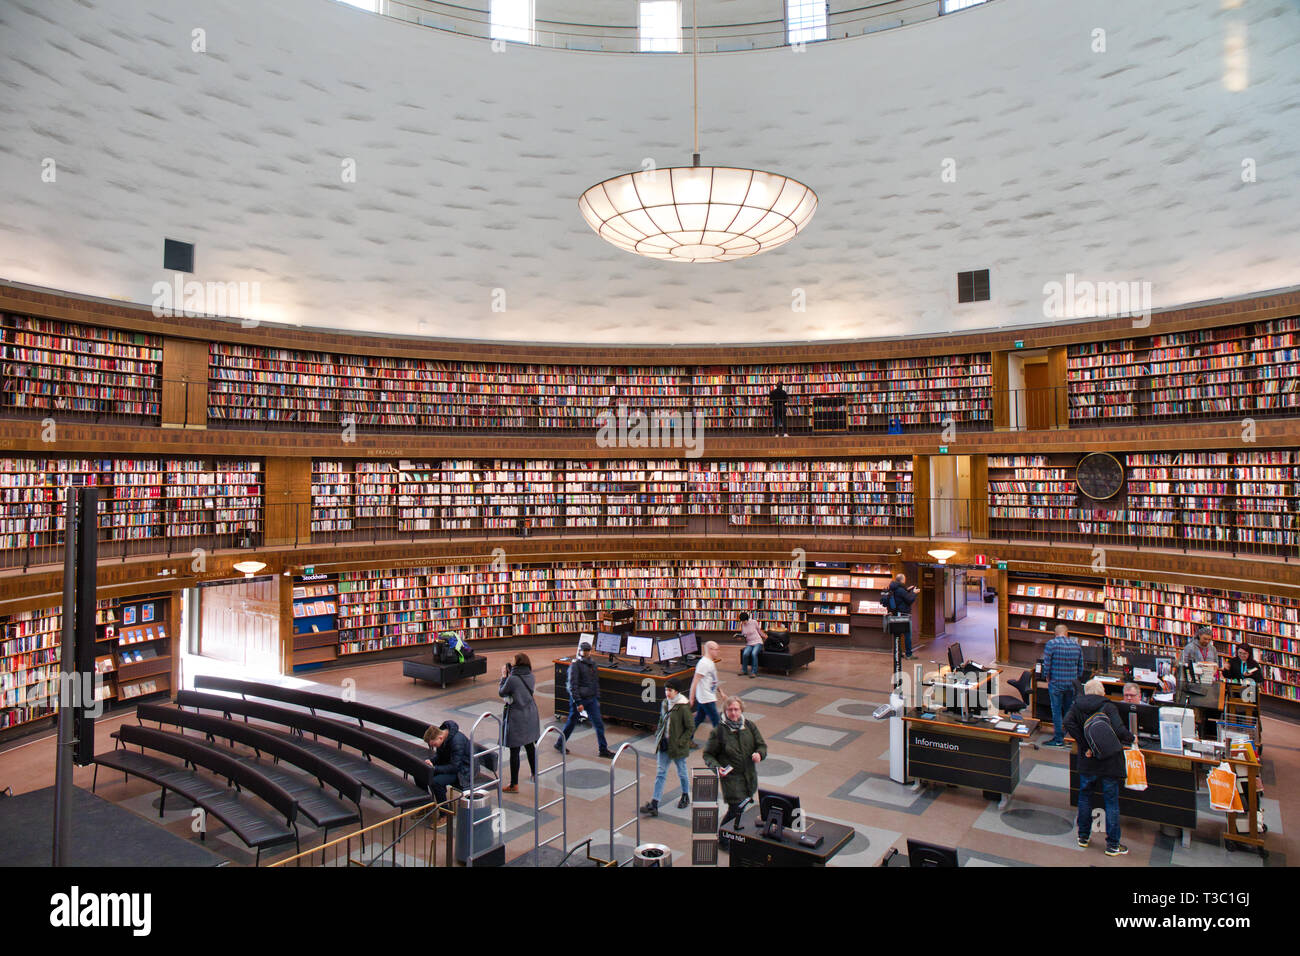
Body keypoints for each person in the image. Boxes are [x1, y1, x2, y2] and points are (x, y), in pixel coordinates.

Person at [1065, 679, 1134, 857]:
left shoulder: (1076, 705)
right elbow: (1119, 730)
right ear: (1102, 692)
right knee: (1111, 802)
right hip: (1109, 761)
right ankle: (1112, 845)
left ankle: (1083, 837)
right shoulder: (1108, 706)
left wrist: (1084, 744)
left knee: (1085, 797)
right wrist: (1132, 738)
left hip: (1088, 761)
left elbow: (1067, 722)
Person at [704, 696, 767, 830]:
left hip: (749, 777)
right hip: (731, 780)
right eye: (730, 710)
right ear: (725, 711)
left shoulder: (749, 726)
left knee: (741, 807)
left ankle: (734, 830)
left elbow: (761, 745)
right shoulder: (719, 732)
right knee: (735, 808)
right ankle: (724, 836)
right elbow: (708, 754)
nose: (733, 713)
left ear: (741, 710)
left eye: (736, 709)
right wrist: (717, 767)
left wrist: (759, 754)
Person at [639, 677, 695, 817]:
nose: (667, 693)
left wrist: (681, 742)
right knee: (660, 773)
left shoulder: (683, 706)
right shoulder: (665, 703)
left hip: (677, 746)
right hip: (665, 744)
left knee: (682, 771)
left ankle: (685, 795)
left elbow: (690, 727)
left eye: (670, 690)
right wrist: (659, 733)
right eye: (666, 690)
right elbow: (661, 720)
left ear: (676, 691)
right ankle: (655, 803)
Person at [556, 641, 616, 758]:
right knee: (571, 723)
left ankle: (603, 749)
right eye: (584, 650)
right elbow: (573, 686)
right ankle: (559, 743)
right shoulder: (575, 665)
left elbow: (595, 682)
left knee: (599, 724)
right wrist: (578, 702)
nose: (586, 653)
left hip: (591, 699)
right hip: (580, 700)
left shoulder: (593, 664)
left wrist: (597, 697)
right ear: (580, 651)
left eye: (588, 650)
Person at [499, 653, 540, 792]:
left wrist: (504, 676)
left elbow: (502, 692)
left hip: (517, 717)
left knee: (514, 750)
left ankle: (514, 784)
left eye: (514, 661)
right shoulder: (531, 676)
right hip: (531, 714)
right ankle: (535, 774)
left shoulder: (513, 679)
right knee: (530, 746)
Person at [1041, 623, 1084, 748]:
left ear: (1055, 633)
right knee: (1069, 710)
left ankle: (1058, 739)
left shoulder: (1051, 644)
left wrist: (1047, 677)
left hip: (1056, 683)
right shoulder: (1076, 645)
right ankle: (1069, 736)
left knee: (1056, 711)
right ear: (1067, 633)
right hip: (1071, 683)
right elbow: (1080, 667)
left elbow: (1047, 664)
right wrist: (1075, 678)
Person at [423, 720, 472, 805]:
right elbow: (440, 756)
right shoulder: (443, 738)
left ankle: (444, 813)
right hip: (453, 765)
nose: (434, 747)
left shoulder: (456, 742)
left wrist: (435, 768)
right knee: (422, 773)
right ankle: (425, 805)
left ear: (440, 738)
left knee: (436, 782)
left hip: (464, 771)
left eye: (434, 745)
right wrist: (431, 761)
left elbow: (455, 767)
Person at [689, 640, 724, 748]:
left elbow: (713, 679)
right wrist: (691, 697)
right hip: (706, 698)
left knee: (699, 718)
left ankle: (687, 739)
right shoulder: (703, 664)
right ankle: (722, 744)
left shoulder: (710, 662)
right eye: (716, 649)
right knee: (716, 720)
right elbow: (695, 681)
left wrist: (721, 692)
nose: (718, 651)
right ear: (710, 650)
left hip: (707, 696)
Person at [885, 573, 919, 659]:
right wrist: (914, 593)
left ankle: (898, 652)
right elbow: (909, 600)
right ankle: (908, 654)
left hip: (896, 614)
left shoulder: (894, 588)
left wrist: (907, 590)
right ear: (902, 580)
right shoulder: (900, 590)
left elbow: (901, 597)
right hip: (903, 614)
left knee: (897, 634)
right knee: (907, 634)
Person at [737, 612, 767, 678]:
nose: (743, 622)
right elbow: (744, 634)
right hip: (749, 643)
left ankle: (754, 672)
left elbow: (759, 630)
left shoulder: (753, 622)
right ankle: (744, 670)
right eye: (742, 621)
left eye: (744, 621)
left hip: (757, 642)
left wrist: (765, 636)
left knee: (754, 653)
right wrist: (740, 637)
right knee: (745, 654)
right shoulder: (742, 625)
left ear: (747, 619)